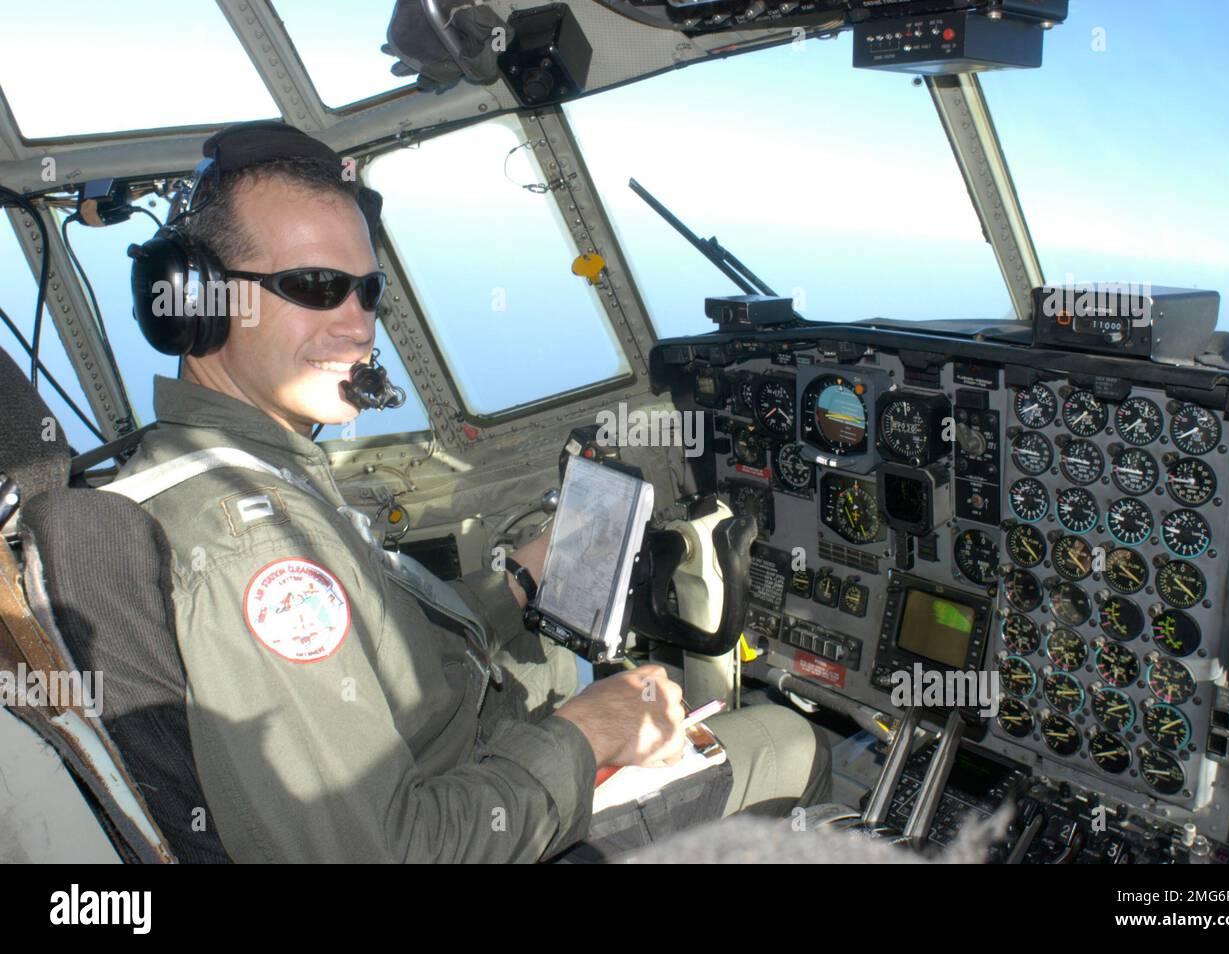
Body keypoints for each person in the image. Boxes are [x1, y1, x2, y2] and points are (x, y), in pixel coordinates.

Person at [109, 121, 829, 862]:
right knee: (788, 739)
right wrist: (588, 733)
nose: (359, 326)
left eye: (368, 290)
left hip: (465, 751)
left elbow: (388, 645)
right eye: (316, 287)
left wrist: (519, 579)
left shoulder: (234, 467)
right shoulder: (255, 549)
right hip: (463, 811)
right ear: (198, 302)